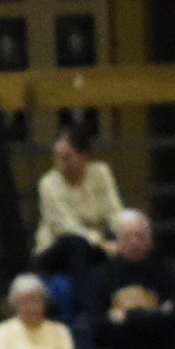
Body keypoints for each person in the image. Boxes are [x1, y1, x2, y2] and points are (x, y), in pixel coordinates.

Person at [79, 210, 175, 349]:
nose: (135, 242)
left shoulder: (166, 271)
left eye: (141, 236)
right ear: (118, 241)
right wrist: (156, 314)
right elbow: (98, 327)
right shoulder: (100, 276)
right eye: (128, 237)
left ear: (150, 239)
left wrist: (127, 317)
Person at [37, 121, 126, 314]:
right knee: (77, 243)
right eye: (57, 158)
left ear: (84, 156)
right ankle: (91, 306)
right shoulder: (48, 183)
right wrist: (103, 243)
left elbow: (113, 211)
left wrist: (126, 235)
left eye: (67, 158)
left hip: (94, 247)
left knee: (133, 238)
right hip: (57, 249)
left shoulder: (101, 172)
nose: (60, 164)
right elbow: (66, 227)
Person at [0, 274, 76, 349]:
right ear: (15, 306)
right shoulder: (2, 332)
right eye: (24, 302)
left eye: (36, 301)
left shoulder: (61, 332)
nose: (31, 307)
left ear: (45, 303)